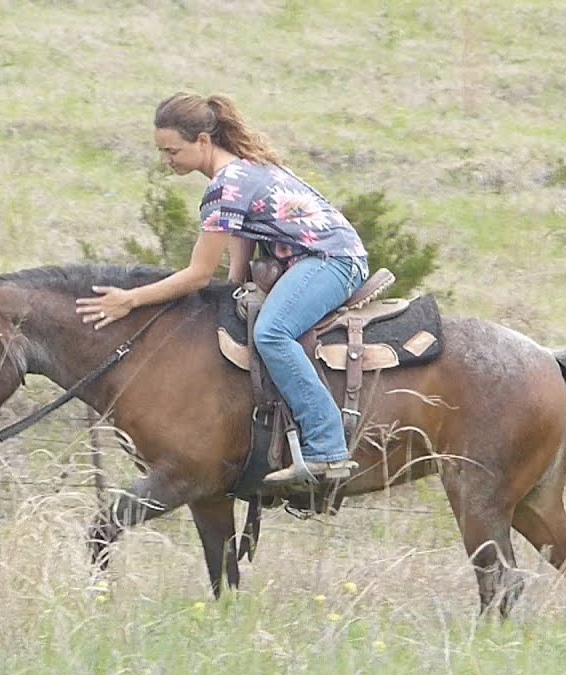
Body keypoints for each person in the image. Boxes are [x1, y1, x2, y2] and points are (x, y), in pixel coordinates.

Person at [75, 92, 368, 487]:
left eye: (173, 150)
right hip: (316, 258)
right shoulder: (240, 173)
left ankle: (328, 447)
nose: (168, 160)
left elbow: (198, 275)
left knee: (272, 333)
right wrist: (234, 284)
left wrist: (129, 299)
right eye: (163, 152)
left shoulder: (226, 187)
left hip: (330, 261)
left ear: (202, 141)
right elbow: (240, 250)